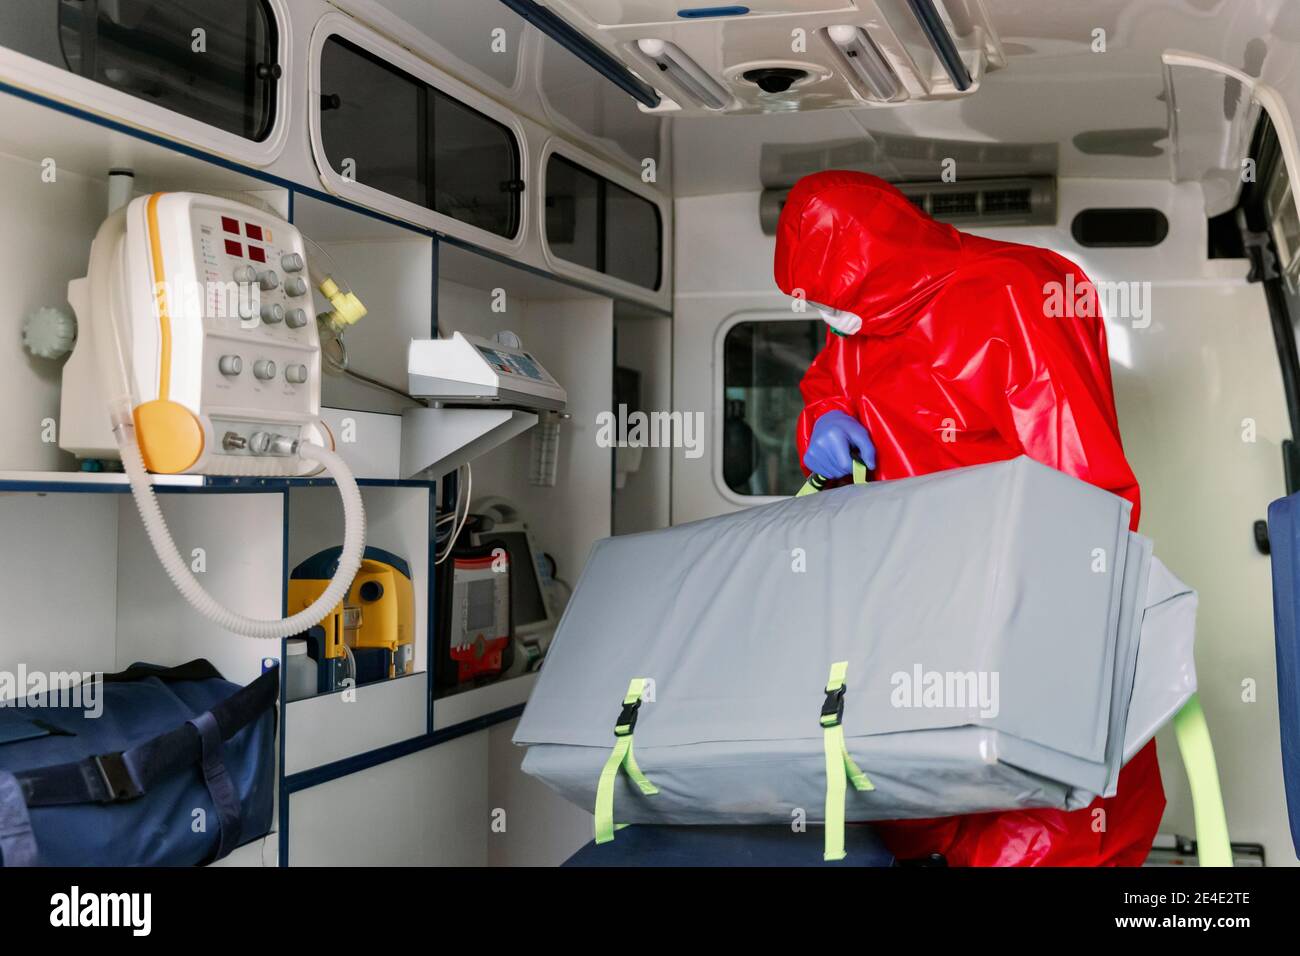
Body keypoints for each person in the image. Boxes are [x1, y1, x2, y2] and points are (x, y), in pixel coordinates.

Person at [774, 169, 1162, 866]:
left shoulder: (1013, 294)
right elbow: (829, 381)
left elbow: (1080, 477)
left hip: (1015, 594)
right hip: (911, 597)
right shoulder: (859, 312)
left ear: (880, 261)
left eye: (837, 308)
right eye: (822, 311)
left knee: (1041, 805)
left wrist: (1054, 603)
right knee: (920, 784)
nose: (833, 325)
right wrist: (822, 420)